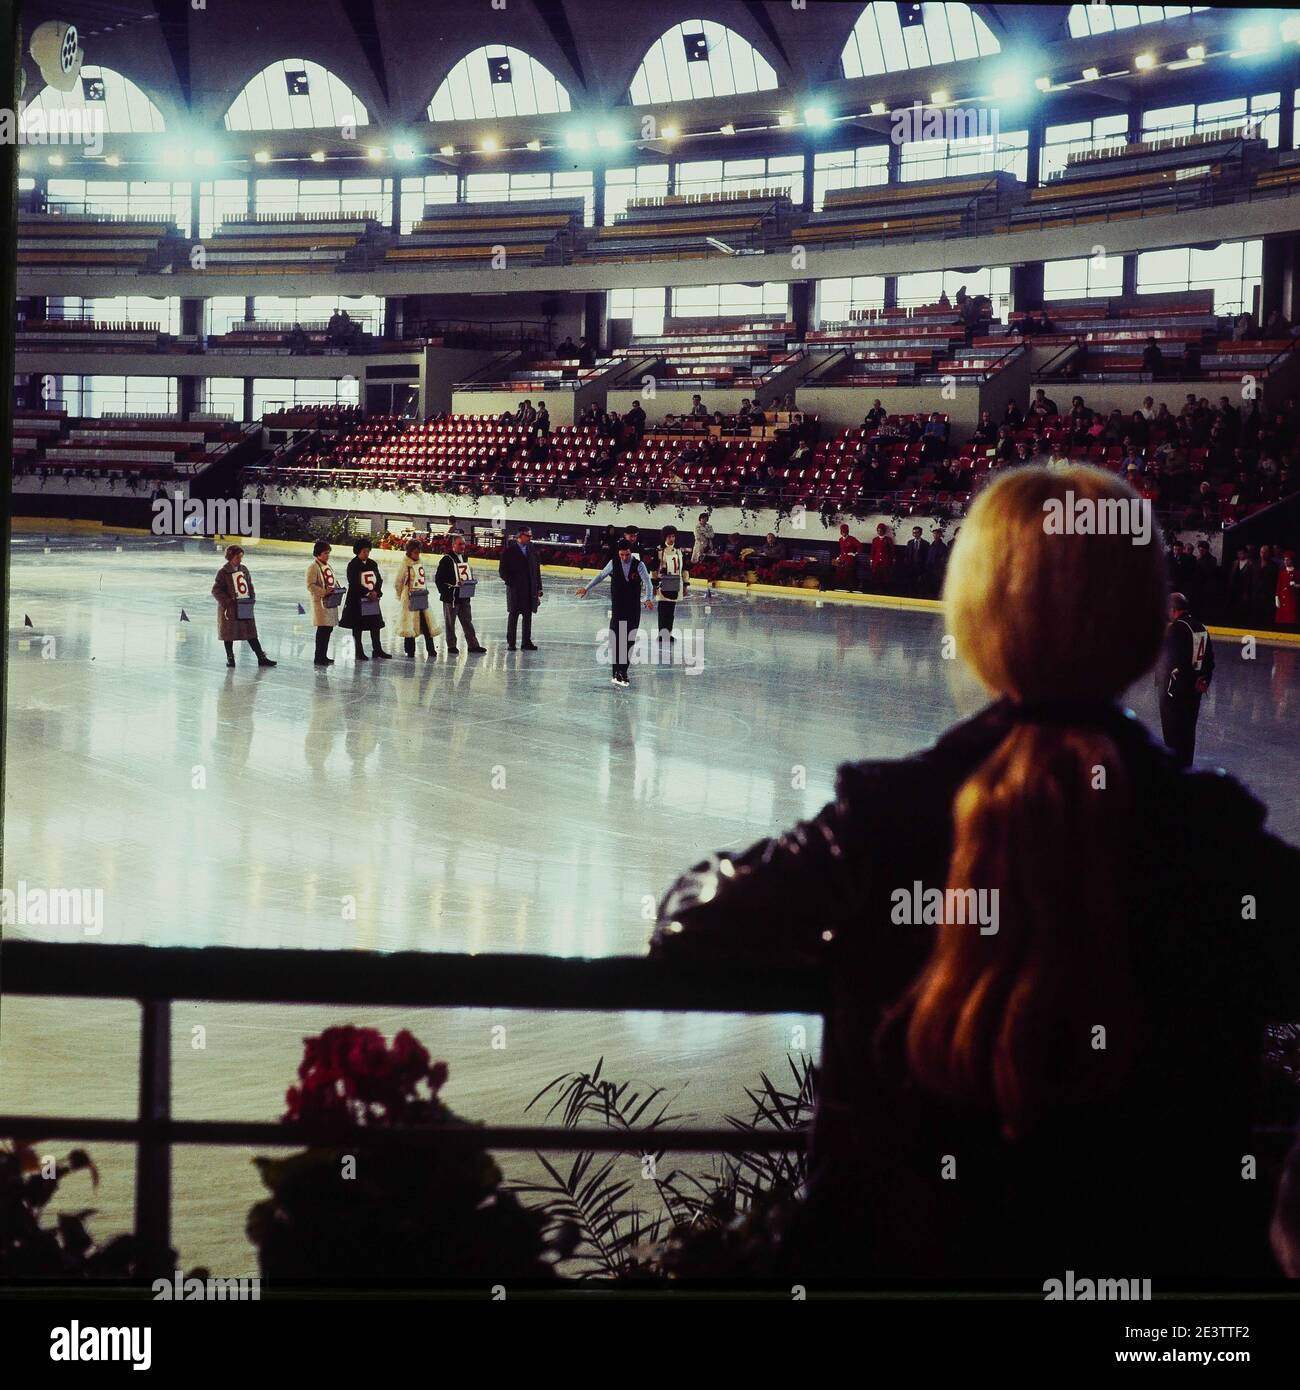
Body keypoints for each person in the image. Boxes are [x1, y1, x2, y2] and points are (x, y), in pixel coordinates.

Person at [650, 464, 1300, 1281]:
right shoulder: (1221, 846)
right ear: (1143, 623)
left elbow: (685, 932)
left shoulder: (880, 822)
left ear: (977, 617)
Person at [577, 537, 654, 687]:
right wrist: (586, 588)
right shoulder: (613, 562)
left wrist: (648, 598)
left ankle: (623, 671)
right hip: (618, 608)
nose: (624, 557)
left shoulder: (639, 565)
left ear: (631, 552)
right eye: (622, 555)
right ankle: (615, 671)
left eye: (627, 554)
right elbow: (600, 576)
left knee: (629, 641)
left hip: (632, 609)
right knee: (616, 640)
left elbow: (648, 583)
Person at [1155, 591, 1214, 768]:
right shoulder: (1201, 627)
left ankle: (1174, 773)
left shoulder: (1177, 628)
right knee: (1188, 735)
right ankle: (1186, 769)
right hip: (1194, 692)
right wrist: (1203, 680)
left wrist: (1167, 688)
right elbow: (1209, 660)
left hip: (1175, 693)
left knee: (1173, 737)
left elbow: (1176, 662)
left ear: (1173, 609)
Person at [211, 544, 276, 668]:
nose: (240, 559)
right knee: (228, 635)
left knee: (251, 632)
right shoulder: (223, 572)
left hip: (244, 605)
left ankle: (261, 657)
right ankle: (230, 658)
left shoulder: (244, 569)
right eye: (238, 557)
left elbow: (249, 585)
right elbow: (216, 590)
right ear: (230, 557)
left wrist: (252, 598)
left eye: (241, 557)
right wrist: (228, 602)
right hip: (230, 609)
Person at [435, 532, 487, 655]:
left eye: (464, 544)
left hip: (464, 596)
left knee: (467, 621)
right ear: (453, 545)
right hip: (451, 597)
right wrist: (448, 590)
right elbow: (439, 579)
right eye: (460, 544)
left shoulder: (464, 558)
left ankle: (473, 645)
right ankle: (451, 645)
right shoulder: (446, 560)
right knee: (450, 623)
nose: (463, 547)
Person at [341, 539, 390, 660]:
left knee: (375, 625)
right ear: (358, 551)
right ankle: (358, 651)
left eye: (368, 551)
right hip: (357, 601)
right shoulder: (353, 565)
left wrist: (376, 592)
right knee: (357, 627)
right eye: (364, 551)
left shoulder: (372, 563)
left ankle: (377, 650)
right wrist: (367, 593)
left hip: (372, 600)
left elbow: (378, 579)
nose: (366, 553)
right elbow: (353, 583)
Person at [499, 525, 542, 650]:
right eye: (528, 535)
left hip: (529, 590)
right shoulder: (509, 552)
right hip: (515, 590)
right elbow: (502, 571)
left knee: (528, 616)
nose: (530, 538)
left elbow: (536, 571)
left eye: (530, 535)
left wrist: (539, 588)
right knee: (513, 616)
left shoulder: (532, 551)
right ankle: (511, 643)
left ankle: (526, 642)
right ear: (520, 536)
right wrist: (512, 583)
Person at [395, 540, 440, 661]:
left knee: (426, 623)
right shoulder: (405, 565)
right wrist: (402, 597)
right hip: (409, 598)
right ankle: (410, 650)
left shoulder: (419, 563)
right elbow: (398, 583)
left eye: (418, 552)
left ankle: (431, 649)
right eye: (415, 552)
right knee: (409, 625)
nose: (417, 554)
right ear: (409, 552)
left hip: (421, 596)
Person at [306, 539, 341, 666]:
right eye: (325, 553)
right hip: (321, 604)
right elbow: (310, 585)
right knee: (323, 630)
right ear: (318, 553)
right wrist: (324, 591)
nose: (328, 555)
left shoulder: (326, 565)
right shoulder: (313, 567)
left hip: (330, 601)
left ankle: (323, 655)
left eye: (328, 553)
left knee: (328, 630)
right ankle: (319, 657)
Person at [655, 525, 688, 641]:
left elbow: (684, 568)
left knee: (671, 610)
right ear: (664, 537)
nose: (672, 539)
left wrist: (685, 584)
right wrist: (654, 584)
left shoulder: (679, 550)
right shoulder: (659, 550)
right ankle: (662, 634)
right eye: (669, 536)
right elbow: (654, 569)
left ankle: (668, 633)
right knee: (663, 609)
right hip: (664, 582)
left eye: (673, 536)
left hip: (675, 582)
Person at [1277, 551, 1300, 629]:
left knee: (1291, 619)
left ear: (1291, 560)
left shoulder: (1297, 573)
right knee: (1282, 620)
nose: (1285, 561)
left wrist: (1296, 585)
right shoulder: (1282, 573)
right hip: (1283, 600)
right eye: (1284, 560)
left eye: (1287, 560)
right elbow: (1279, 586)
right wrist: (1277, 597)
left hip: (1291, 600)